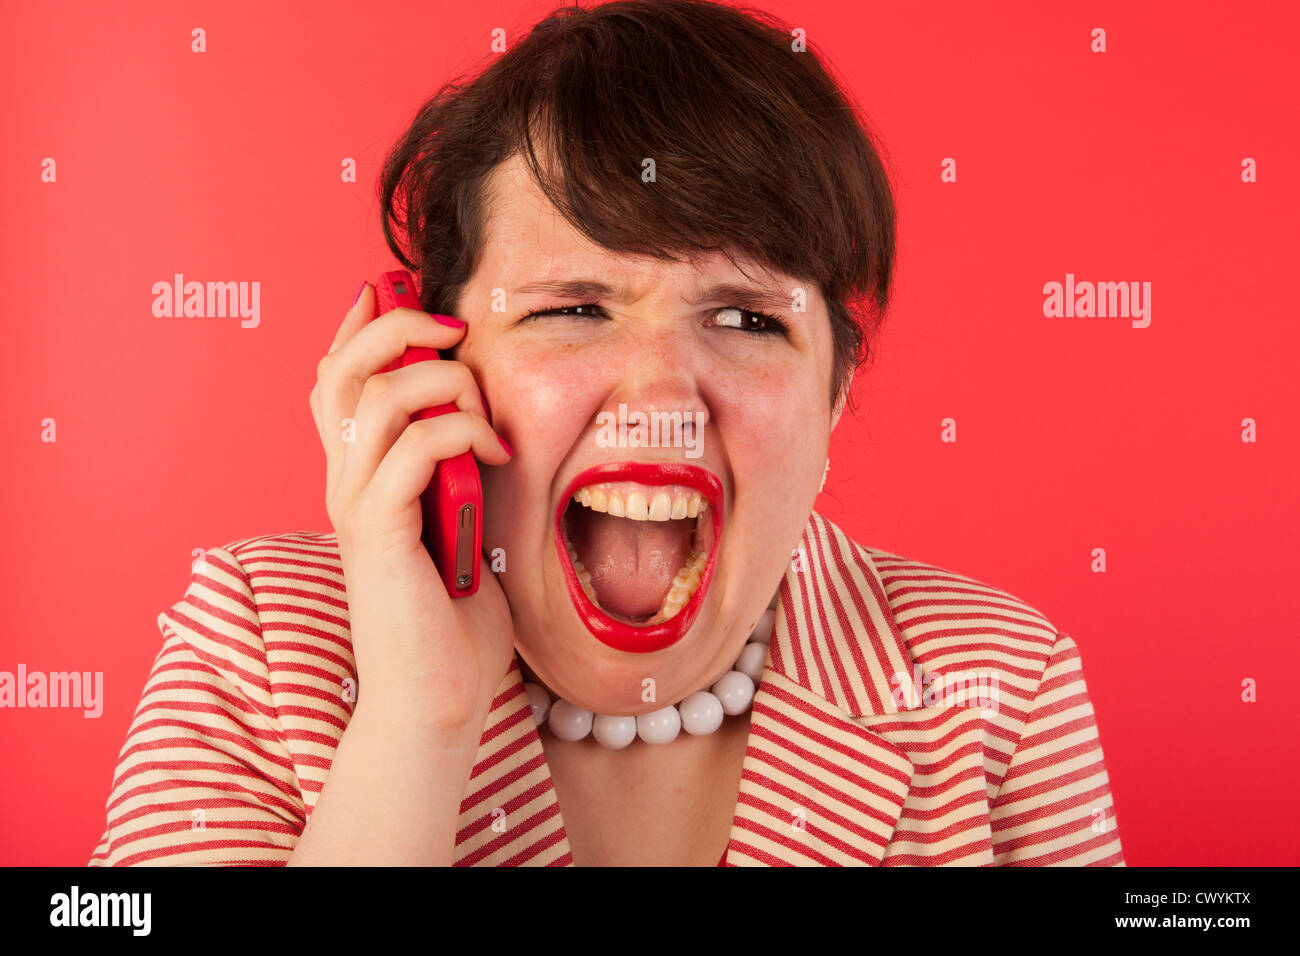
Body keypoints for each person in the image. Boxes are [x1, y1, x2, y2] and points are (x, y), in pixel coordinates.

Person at [89, 0, 1123, 866]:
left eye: (747, 318)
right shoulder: (256, 646)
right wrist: (416, 719)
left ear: (833, 394)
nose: (662, 392)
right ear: (432, 366)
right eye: (572, 307)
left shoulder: (996, 682)